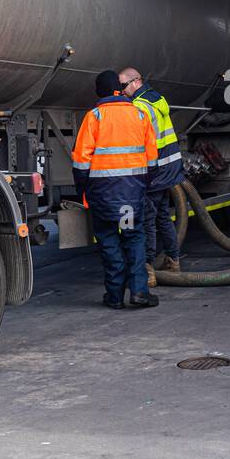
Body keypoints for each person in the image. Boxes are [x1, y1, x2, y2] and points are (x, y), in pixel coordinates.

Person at [72, 70, 159, 309]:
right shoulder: (139, 115)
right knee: (132, 240)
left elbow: (81, 161)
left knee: (109, 241)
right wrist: (143, 186)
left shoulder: (95, 116)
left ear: (99, 92)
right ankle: (139, 292)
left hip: (102, 197)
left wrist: (83, 189)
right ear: (119, 90)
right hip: (130, 199)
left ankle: (114, 296)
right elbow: (152, 159)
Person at [119, 66, 184, 289]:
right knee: (163, 216)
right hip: (168, 168)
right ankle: (173, 261)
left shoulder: (140, 107)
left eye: (123, 86)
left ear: (136, 82)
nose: (121, 91)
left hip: (154, 171)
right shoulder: (156, 98)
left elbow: (141, 143)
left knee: (147, 219)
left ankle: (148, 271)